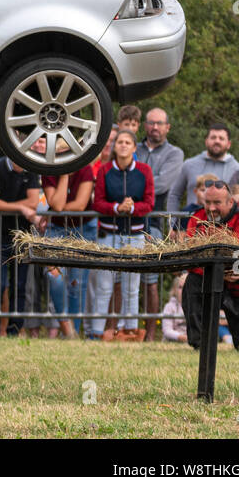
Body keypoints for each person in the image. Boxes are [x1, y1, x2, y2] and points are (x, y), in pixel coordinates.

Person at [180, 180, 239, 350]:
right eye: (207, 202)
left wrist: (221, 271)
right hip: (217, 274)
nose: (211, 208)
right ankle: (200, 345)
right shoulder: (196, 218)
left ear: (230, 202)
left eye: (217, 203)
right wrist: (218, 272)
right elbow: (192, 257)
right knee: (193, 282)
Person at [90, 129, 154, 342]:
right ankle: (97, 332)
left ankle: (130, 330)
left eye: (128, 142)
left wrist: (133, 208)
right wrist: (117, 208)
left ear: (135, 148)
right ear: (115, 146)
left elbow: (149, 202)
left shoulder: (144, 171)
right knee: (104, 286)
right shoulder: (106, 170)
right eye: (120, 142)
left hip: (134, 236)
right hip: (108, 234)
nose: (123, 145)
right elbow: (98, 202)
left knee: (131, 287)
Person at [135, 108, 184, 340]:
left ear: (168, 127)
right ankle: (121, 330)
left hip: (152, 222)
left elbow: (163, 185)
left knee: (150, 280)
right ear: (145, 125)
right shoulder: (134, 147)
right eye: (151, 123)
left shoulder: (175, 154)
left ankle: (151, 334)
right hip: (123, 220)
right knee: (118, 279)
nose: (155, 127)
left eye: (159, 123)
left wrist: (131, 184)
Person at [0, 155, 44, 336]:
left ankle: (14, 329)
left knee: (19, 285)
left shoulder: (31, 166)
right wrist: (20, 208)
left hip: (22, 237)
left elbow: (33, 202)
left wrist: (3, 206)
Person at [42, 163, 96, 338]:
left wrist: (53, 209)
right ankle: (66, 326)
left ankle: (75, 332)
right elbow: (57, 206)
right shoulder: (49, 170)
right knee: (54, 275)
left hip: (83, 229)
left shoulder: (85, 169)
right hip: (56, 229)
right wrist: (64, 174)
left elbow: (80, 205)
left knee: (77, 284)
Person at [166, 122, 239, 217]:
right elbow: (174, 195)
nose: (217, 141)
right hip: (190, 224)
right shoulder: (189, 164)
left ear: (229, 144)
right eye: (213, 137)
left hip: (223, 227)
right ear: (206, 141)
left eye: (221, 138)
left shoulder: (238, 170)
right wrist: (172, 223)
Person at [161, 275, 187, 343]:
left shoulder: (196, 307)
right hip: (172, 340)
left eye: (187, 287)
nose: (184, 290)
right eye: (180, 287)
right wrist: (181, 337)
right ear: (174, 290)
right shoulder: (169, 307)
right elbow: (167, 330)